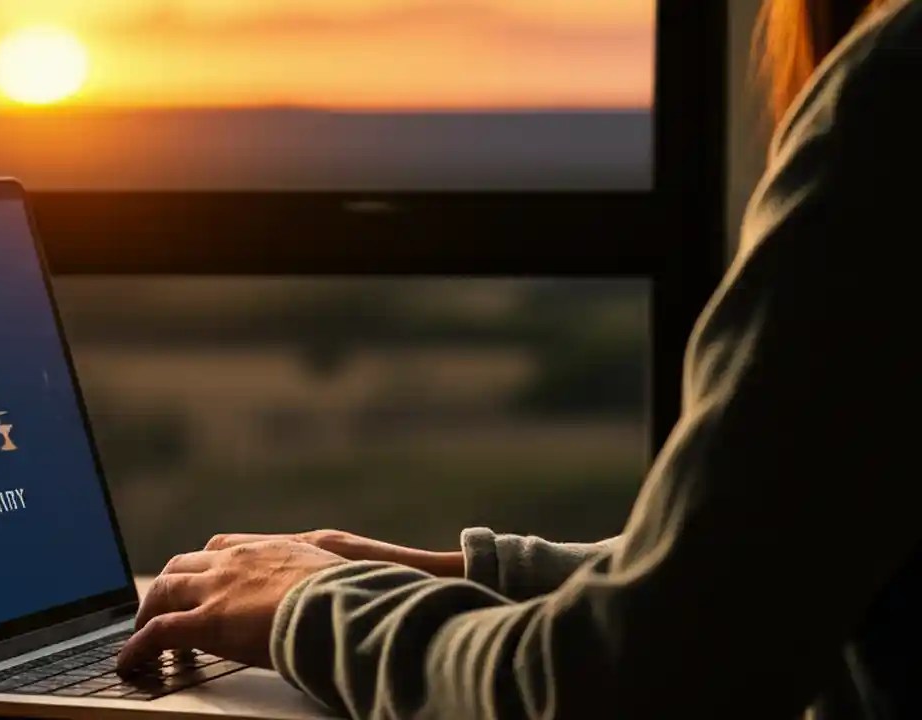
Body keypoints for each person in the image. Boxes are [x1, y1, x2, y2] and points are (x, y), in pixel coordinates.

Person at [116, 0, 922, 717]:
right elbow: (766, 579)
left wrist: (310, 605)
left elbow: (623, 684)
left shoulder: (896, 91)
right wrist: (469, 574)